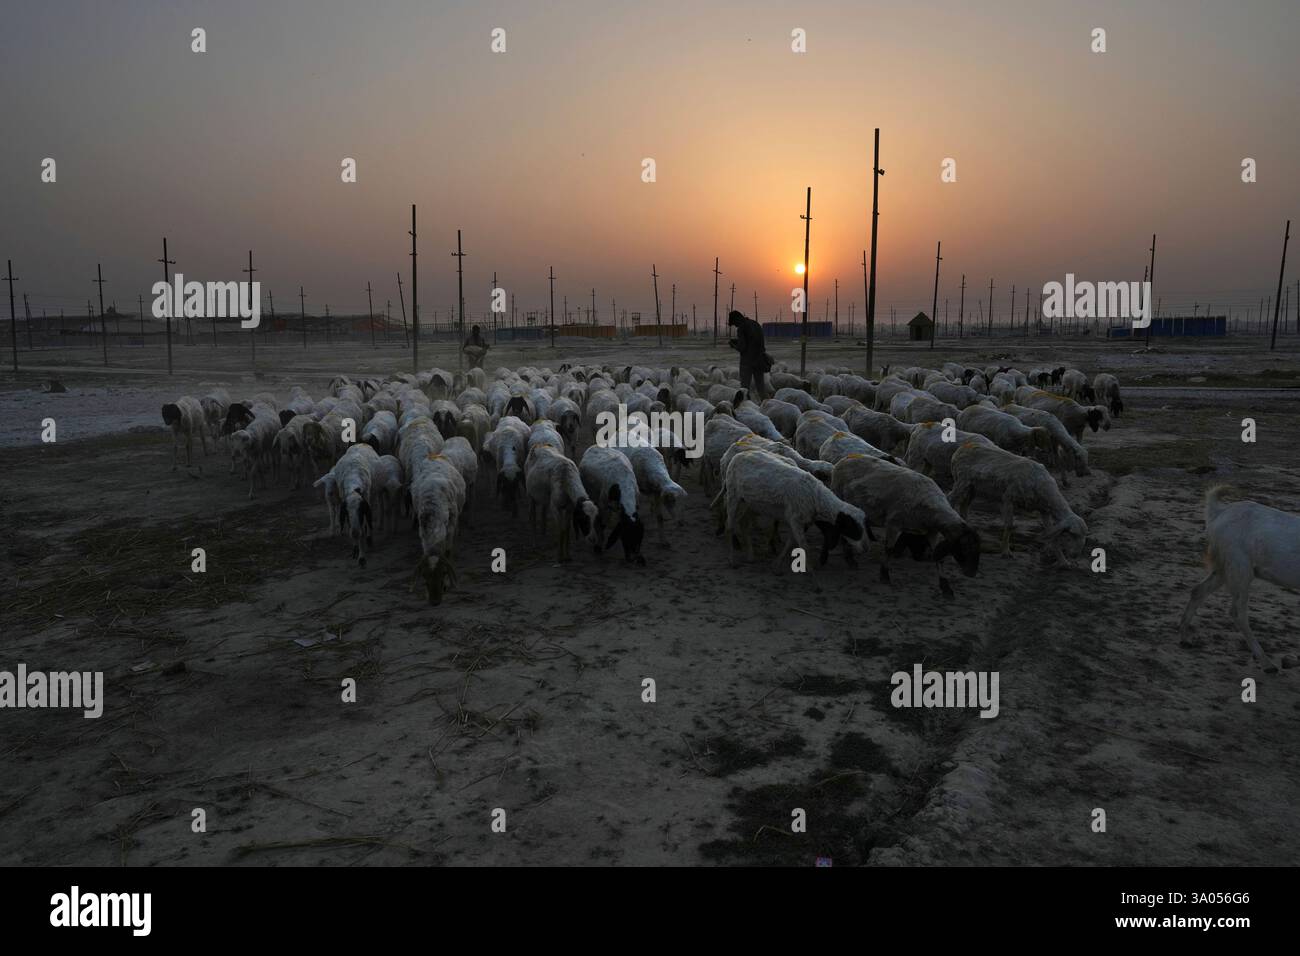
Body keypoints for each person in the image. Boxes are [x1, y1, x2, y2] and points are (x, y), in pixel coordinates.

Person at [727, 310, 769, 400]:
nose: (736, 326)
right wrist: (738, 341)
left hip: (747, 363)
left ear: (737, 319)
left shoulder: (742, 328)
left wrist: (734, 345)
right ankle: (768, 404)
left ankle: (746, 407)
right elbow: (754, 342)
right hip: (759, 360)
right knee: (761, 387)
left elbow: (742, 348)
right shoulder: (755, 324)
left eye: (735, 324)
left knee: (744, 389)